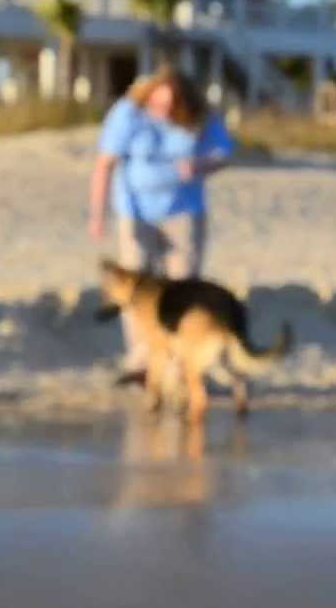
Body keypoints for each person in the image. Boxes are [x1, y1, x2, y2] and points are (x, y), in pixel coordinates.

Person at [88, 65, 236, 385]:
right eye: (157, 103)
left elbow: (224, 153)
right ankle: (141, 358)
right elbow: (104, 164)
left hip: (184, 211)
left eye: (170, 105)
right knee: (135, 284)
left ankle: (179, 359)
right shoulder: (128, 113)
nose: (163, 110)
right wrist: (97, 215)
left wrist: (200, 165)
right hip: (135, 210)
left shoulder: (199, 115)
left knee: (182, 285)